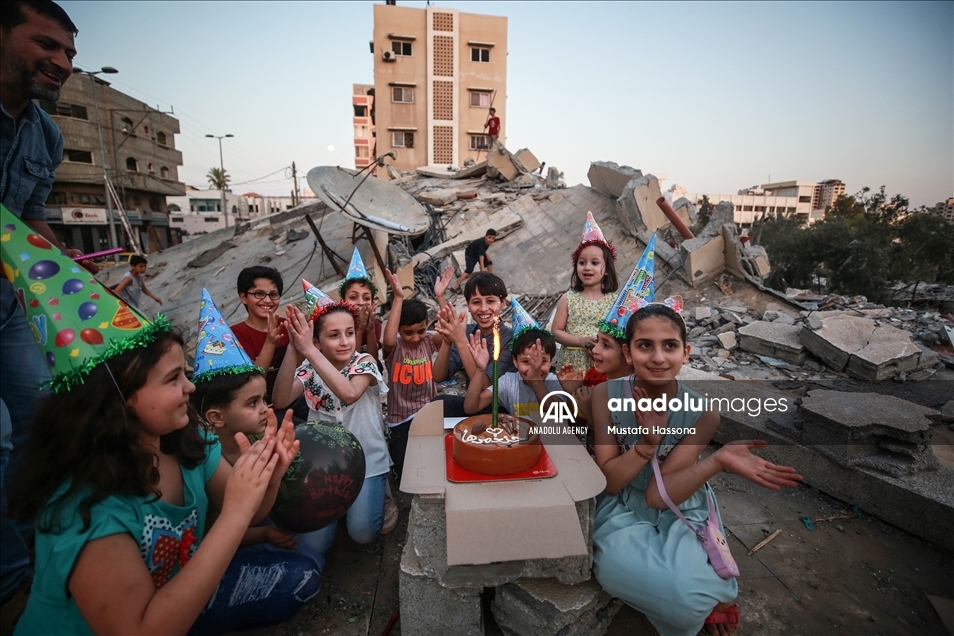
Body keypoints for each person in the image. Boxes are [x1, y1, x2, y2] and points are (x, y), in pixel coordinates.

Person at [6, 306, 302, 634]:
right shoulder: (84, 509)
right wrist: (233, 514)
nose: (190, 387)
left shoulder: (189, 441)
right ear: (119, 402)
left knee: (301, 578)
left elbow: (251, 512)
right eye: (173, 378)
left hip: (173, 597)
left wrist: (268, 478)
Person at [590, 300, 802, 636]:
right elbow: (610, 483)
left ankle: (712, 595)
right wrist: (646, 446)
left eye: (670, 346)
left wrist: (717, 461)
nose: (658, 357)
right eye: (645, 345)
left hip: (678, 502)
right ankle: (701, 598)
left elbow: (659, 498)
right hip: (621, 507)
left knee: (692, 590)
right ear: (628, 353)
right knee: (623, 576)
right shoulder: (604, 395)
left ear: (685, 352)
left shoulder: (703, 414)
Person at [0, 0, 97, 614]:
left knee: (42, 420)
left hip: (10, 310)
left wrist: (78, 282)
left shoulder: (46, 132)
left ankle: (39, 553)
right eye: (46, 46)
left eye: (69, 53)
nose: (61, 63)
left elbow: (33, 223)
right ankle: (13, 586)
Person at [189, 290, 323, 633]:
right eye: (253, 404)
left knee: (314, 558)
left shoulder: (250, 438)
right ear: (216, 417)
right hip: (205, 558)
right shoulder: (205, 452)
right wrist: (273, 480)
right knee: (306, 571)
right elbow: (240, 519)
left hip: (235, 538)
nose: (266, 409)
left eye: (264, 399)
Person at [273, 290, 393, 552]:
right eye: (333, 335)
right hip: (325, 467)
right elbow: (280, 400)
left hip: (367, 462)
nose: (345, 342)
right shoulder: (309, 367)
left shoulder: (365, 362)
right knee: (313, 546)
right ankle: (345, 505)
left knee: (362, 533)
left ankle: (381, 494)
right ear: (317, 342)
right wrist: (294, 350)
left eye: (349, 333)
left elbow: (349, 394)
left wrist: (309, 351)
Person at [381, 269, 442, 481]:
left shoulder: (429, 340)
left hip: (427, 410)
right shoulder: (395, 346)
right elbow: (387, 341)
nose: (416, 337)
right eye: (408, 332)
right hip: (401, 418)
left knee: (434, 459)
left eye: (421, 330)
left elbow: (450, 334)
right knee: (403, 471)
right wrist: (398, 298)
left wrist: (441, 298)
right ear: (399, 330)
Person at [463, 299, 566, 418]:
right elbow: (470, 408)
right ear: (515, 361)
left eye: (542, 361)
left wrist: (536, 381)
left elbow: (557, 413)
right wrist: (480, 370)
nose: (534, 367)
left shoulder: (552, 381)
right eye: (526, 361)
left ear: (551, 361)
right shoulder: (508, 382)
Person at [432, 270, 516, 417]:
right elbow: (438, 376)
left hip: (501, 410)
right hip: (473, 406)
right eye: (476, 302)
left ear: (502, 303)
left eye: (490, 301)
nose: (483, 309)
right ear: (468, 305)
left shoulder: (510, 340)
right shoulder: (467, 332)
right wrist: (447, 340)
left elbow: (485, 386)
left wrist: (460, 340)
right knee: (438, 404)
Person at [552, 212, 619, 377]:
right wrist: (580, 341)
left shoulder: (615, 301)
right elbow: (556, 331)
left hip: (602, 365)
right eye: (582, 263)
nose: (587, 267)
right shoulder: (568, 299)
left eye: (595, 263)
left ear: (607, 271)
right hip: (572, 365)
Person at [339, 249, 381, 367]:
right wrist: (360, 330)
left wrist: (370, 330)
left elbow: (373, 362)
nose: (361, 303)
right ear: (343, 302)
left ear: (373, 303)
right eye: (353, 297)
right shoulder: (339, 326)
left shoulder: (375, 325)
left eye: (366, 298)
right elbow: (350, 364)